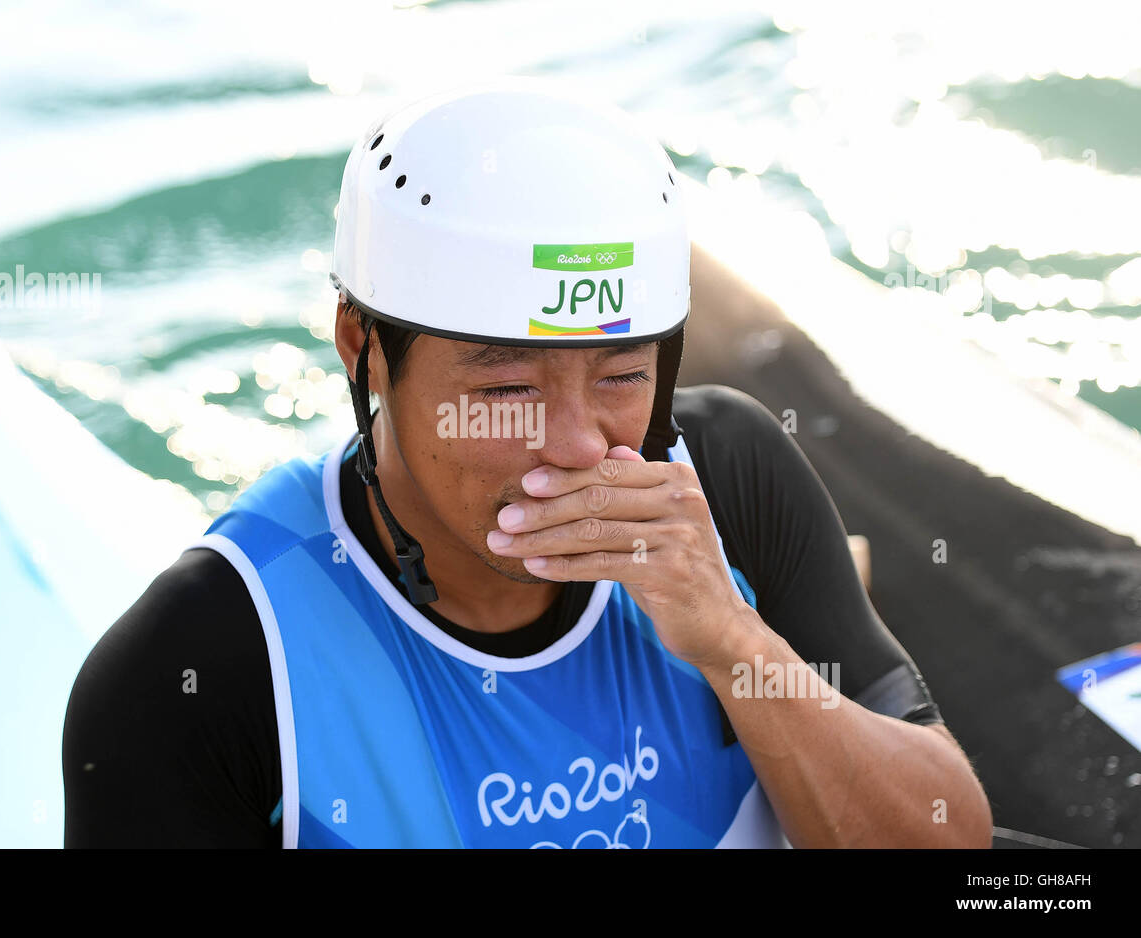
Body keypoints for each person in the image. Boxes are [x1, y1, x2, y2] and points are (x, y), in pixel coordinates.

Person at [63, 78, 991, 848]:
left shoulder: (731, 477)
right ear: (363, 348)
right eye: (506, 388)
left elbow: (951, 842)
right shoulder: (204, 664)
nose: (581, 445)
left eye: (622, 375)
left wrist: (732, 639)